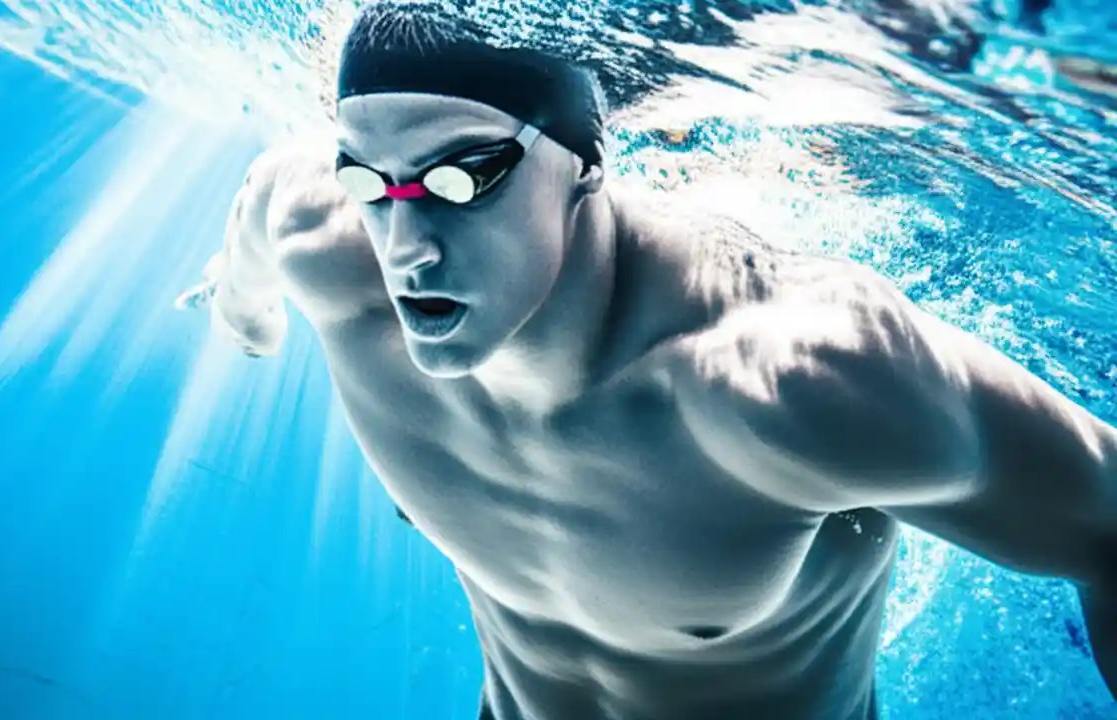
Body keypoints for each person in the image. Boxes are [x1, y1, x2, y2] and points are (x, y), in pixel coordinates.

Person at [179, 1, 1117, 717]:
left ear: (589, 162)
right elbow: (254, 258)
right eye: (370, 185)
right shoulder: (316, 236)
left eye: (463, 179)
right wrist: (241, 313)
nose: (407, 248)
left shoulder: (788, 382)